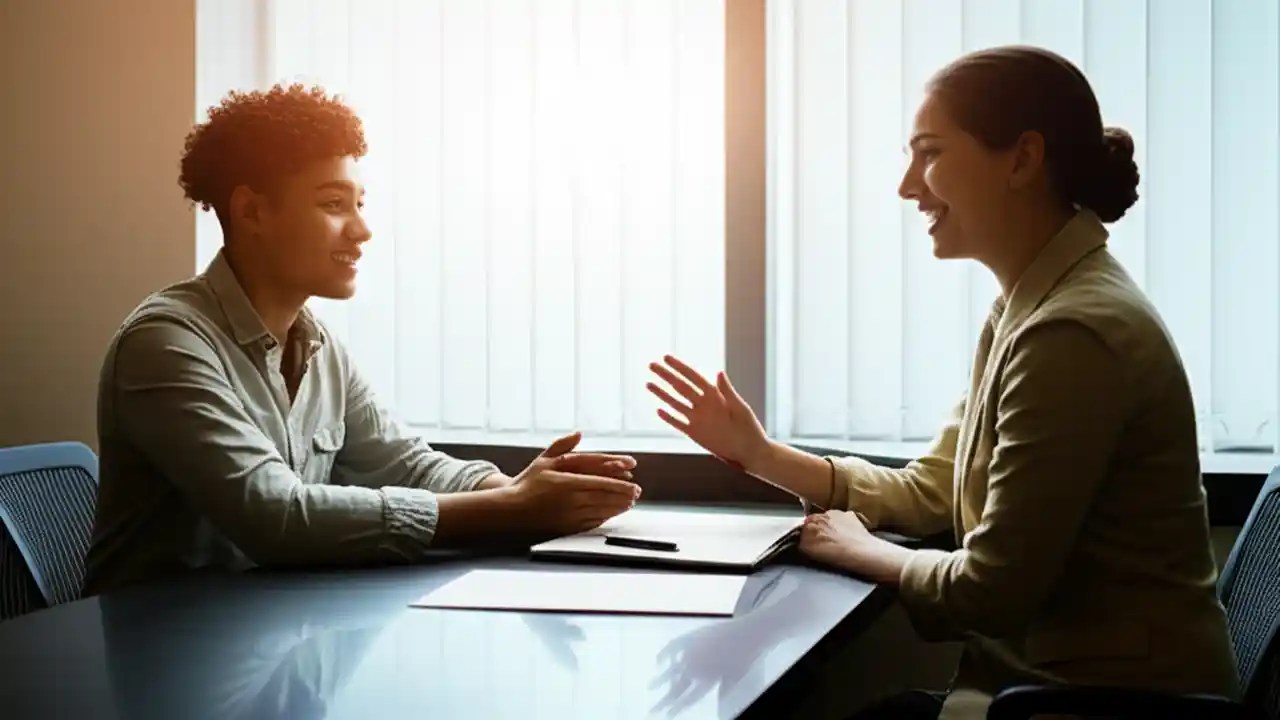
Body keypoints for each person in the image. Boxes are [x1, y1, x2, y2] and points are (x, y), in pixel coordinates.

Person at [647, 46, 1238, 719]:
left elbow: (990, 591)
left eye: (929, 153)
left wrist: (863, 550)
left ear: (1021, 160)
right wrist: (761, 456)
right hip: (1036, 691)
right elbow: (934, 491)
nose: (908, 185)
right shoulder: (1027, 308)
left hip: (1096, 706)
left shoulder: (1073, 333)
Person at [84, 84, 641, 597]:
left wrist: (517, 487)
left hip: (266, 639)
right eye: (334, 204)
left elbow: (408, 464)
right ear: (252, 211)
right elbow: (275, 517)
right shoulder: (167, 344)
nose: (362, 229)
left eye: (360, 203)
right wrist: (510, 508)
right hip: (160, 658)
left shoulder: (319, 345)